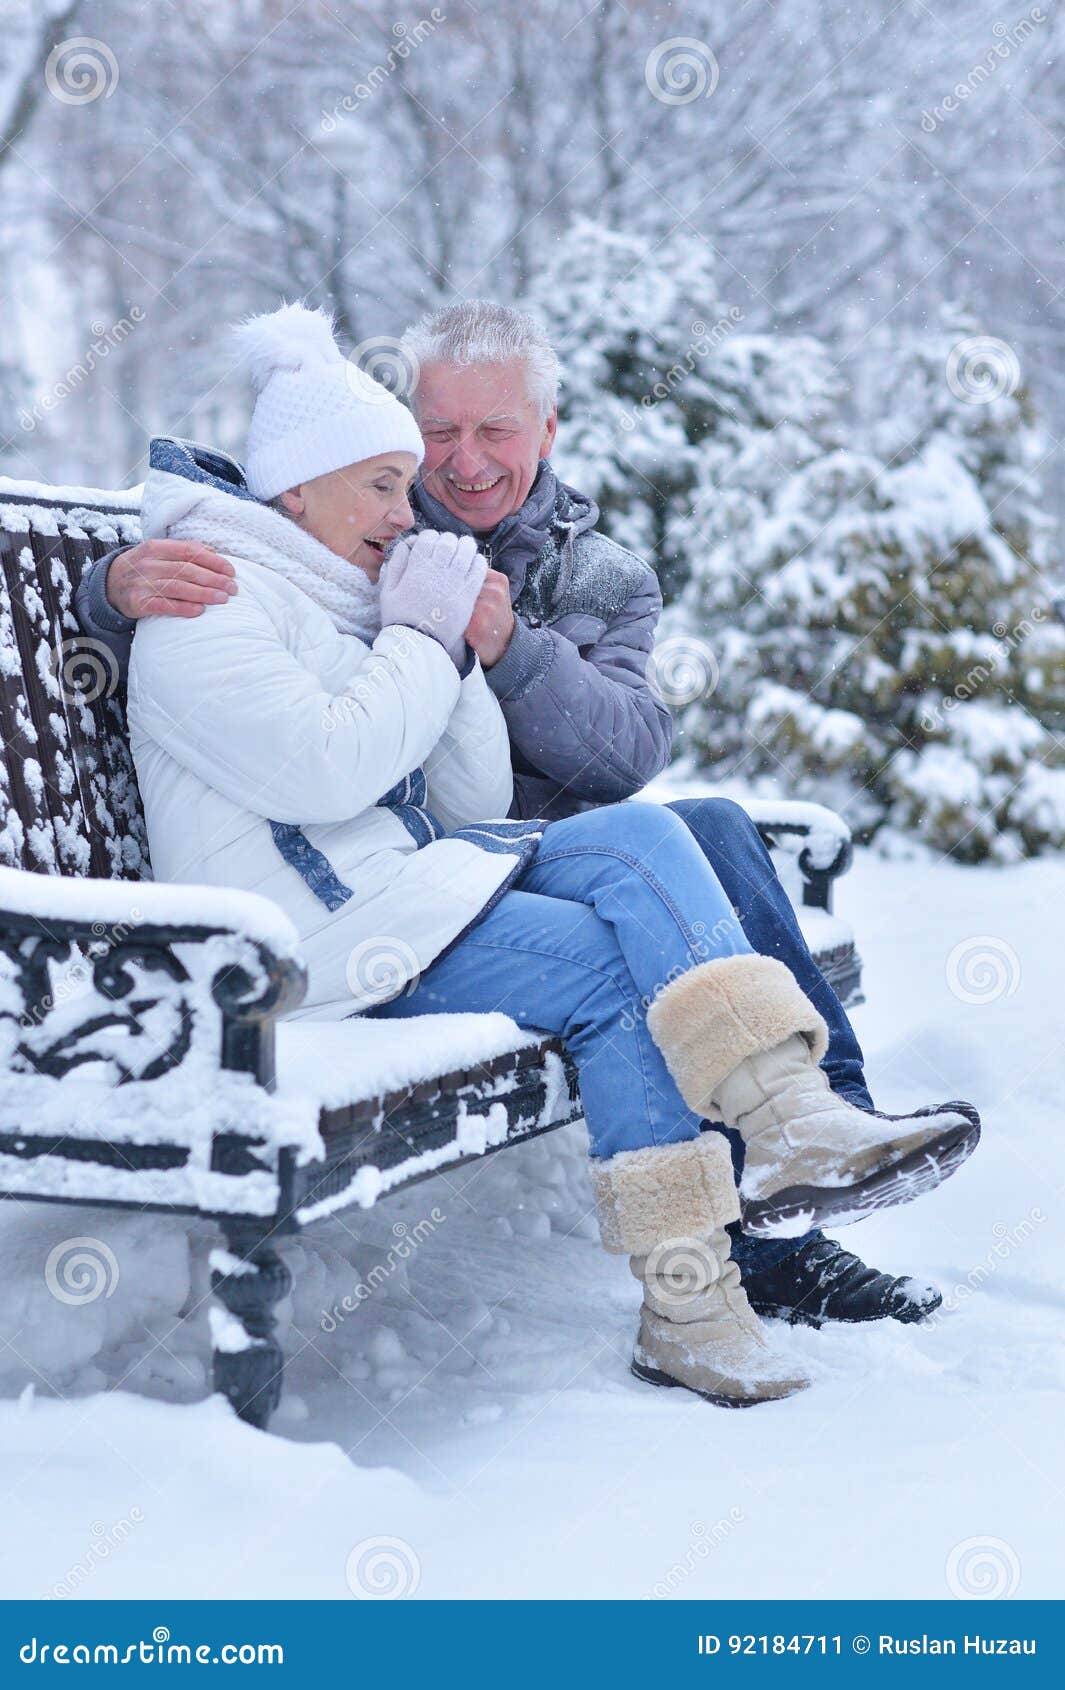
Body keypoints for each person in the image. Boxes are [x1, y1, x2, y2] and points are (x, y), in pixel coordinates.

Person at [126, 303, 979, 1409]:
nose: (441, 479)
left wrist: (489, 649)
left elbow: (593, 758)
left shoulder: (525, 574)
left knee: (668, 825)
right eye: (411, 460)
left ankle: (794, 1128)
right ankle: (723, 1251)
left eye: (493, 434)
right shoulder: (258, 584)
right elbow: (335, 770)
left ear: (547, 429)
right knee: (632, 930)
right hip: (344, 920)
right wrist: (420, 635)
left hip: (443, 870)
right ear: (307, 485)